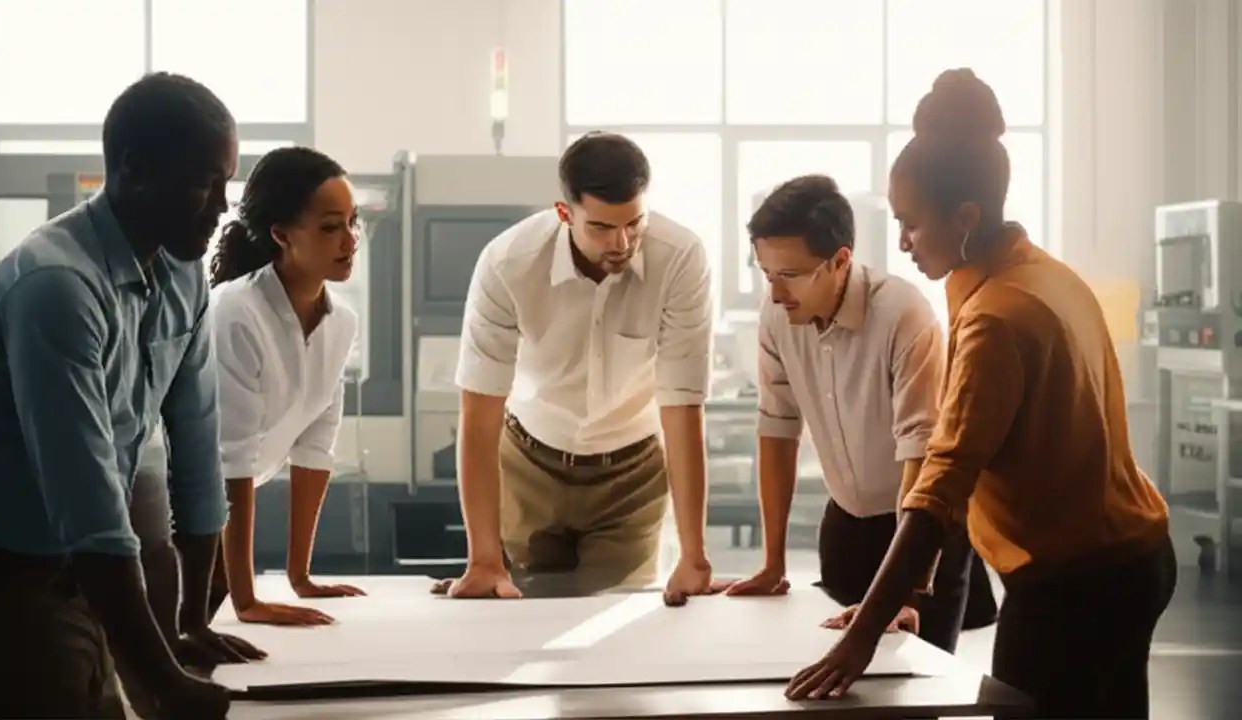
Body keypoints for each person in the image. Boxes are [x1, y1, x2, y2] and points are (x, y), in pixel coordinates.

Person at [785, 68, 1176, 720]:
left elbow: (942, 483)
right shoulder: (1042, 273)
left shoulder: (996, 315)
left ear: (964, 217)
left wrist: (859, 638)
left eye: (911, 224)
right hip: (1133, 561)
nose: (903, 241)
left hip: (1073, 585)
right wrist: (913, 591)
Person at [0, 72, 259, 719]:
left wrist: (191, 618)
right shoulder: (56, 286)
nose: (222, 206)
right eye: (207, 181)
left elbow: (197, 445)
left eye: (228, 182)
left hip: (85, 571)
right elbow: (89, 506)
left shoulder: (182, 273)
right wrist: (167, 681)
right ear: (135, 170)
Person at [441, 131, 719, 605]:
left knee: (611, 619)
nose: (622, 242)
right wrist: (483, 559)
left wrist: (694, 556)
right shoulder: (508, 263)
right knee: (529, 612)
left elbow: (682, 407)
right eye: (602, 228)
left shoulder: (681, 259)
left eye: (635, 223)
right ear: (564, 213)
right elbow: (479, 417)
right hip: (529, 464)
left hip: (632, 475)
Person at [726, 174, 975, 654]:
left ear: (840, 261)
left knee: (914, 690)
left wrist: (903, 592)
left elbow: (919, 453)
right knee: (836, 685)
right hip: (845, 522)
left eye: (790, 275)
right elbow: (777, 427)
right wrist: (772, 562)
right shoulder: (777, 313)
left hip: (918, 527)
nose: (776, 293)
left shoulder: (903, 313)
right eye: (767, 274)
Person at [204, 146, 365, 627]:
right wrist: (248, 601)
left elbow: (315, 449)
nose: (350, 241)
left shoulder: (342, 324)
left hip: (214, 521)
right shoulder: (235, 311)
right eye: (330, 226)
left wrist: (301, 576)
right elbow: (230, 462)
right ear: (281, 234)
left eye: (353, 223)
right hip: (166, 513)